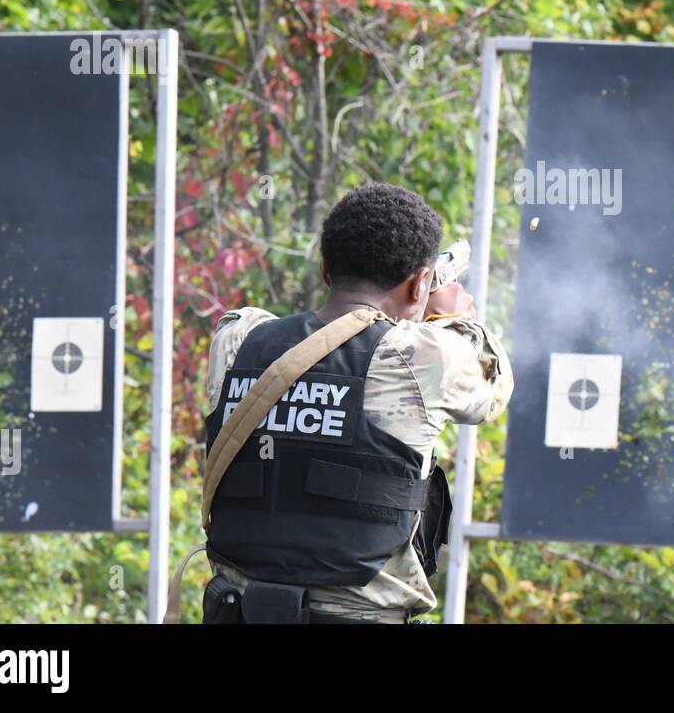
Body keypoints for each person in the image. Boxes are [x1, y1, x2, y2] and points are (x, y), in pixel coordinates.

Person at [200, 182, 513, 623]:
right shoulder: (420, 358)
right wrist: (453, 318)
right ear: (421, 282)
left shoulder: (236, 339)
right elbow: (492, 385)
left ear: (326, 270)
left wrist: (415, 300)